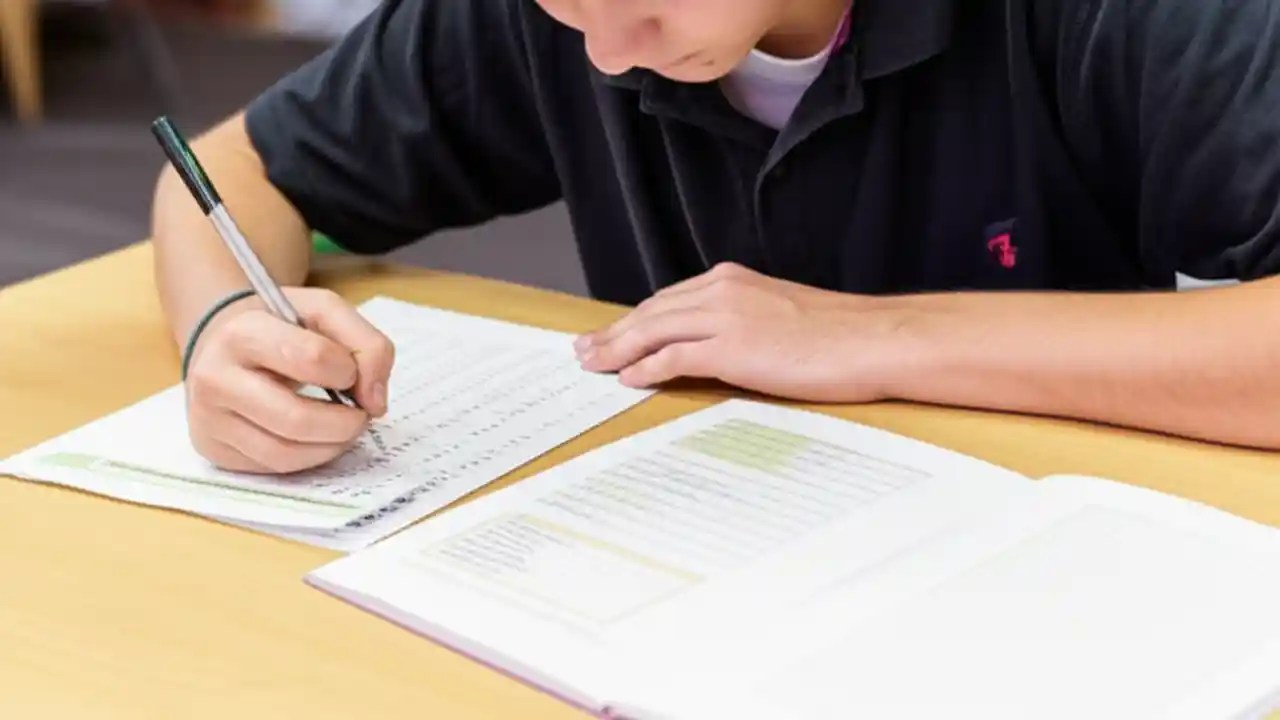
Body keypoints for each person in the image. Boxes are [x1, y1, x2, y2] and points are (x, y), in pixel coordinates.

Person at [152, 0, 1280, 474]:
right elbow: (229, 175)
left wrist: (873, 338)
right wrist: (227, 328)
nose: (604, 54)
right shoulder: (570, 18)